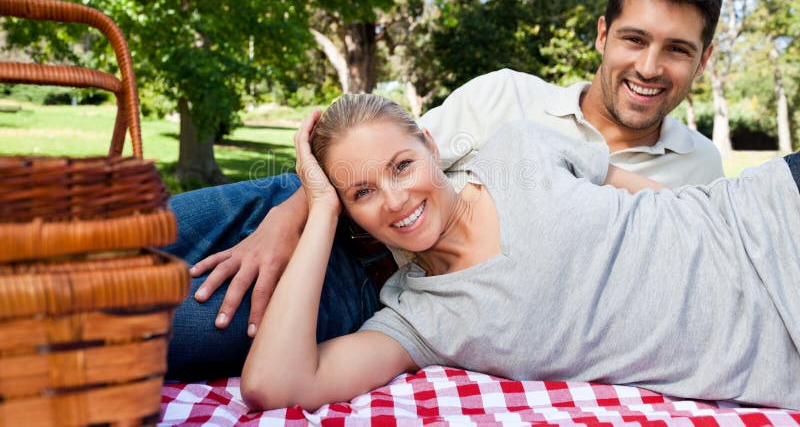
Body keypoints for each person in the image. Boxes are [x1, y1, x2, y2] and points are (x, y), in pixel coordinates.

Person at [164, 0, 725, 380]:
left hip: (367, 292)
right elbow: (392, 154)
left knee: (133, 324)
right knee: (121, 228)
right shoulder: (509, 97)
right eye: (634, 39)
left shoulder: (697, 174)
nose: (649, 67)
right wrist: (286, 221)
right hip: (297, 204)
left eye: (677, 49)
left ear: (703, 60)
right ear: (603, 35)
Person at [241, 94, 800, 412]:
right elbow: (275, 385)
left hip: (775, 212)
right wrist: (320, 208)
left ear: (430, 146)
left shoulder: (518, 147)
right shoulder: (421, 319)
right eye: (362, 193)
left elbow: (669, 203)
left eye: (403, 166)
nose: (395, 199)